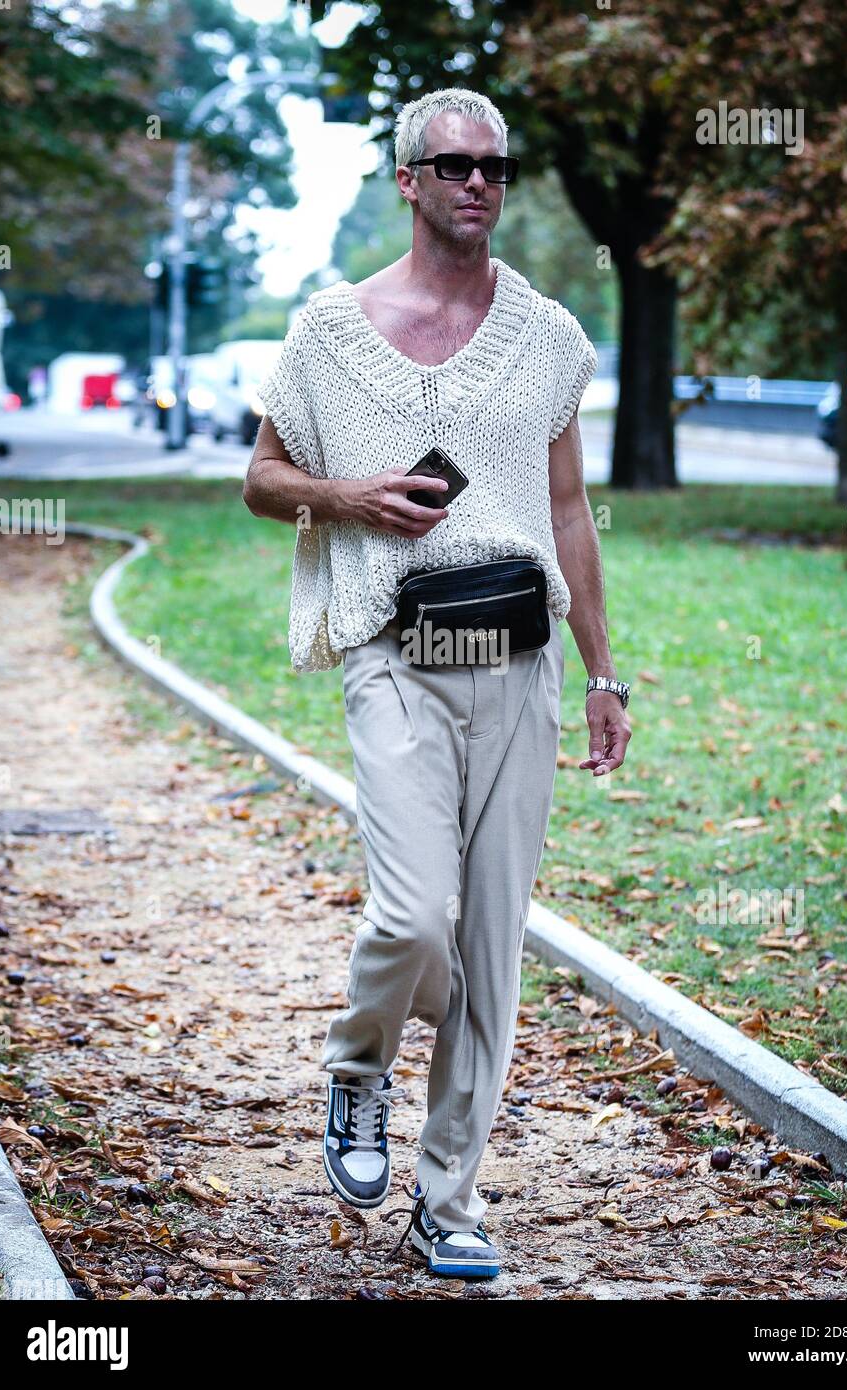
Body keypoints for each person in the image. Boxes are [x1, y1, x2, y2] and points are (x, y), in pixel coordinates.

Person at [242, 88, 631, 1280]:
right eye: (452, 165)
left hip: (516, 664)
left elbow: (566, 509)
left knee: (493, 947)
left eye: (495, 166)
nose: (477, 183)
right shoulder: (327, 332)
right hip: (394, 654)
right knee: (414, 917)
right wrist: (346, 497)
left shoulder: (550, 335)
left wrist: (603, 670)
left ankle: (446, 1198)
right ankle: (357, 1068)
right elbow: (259, 479)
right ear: (406, 181)